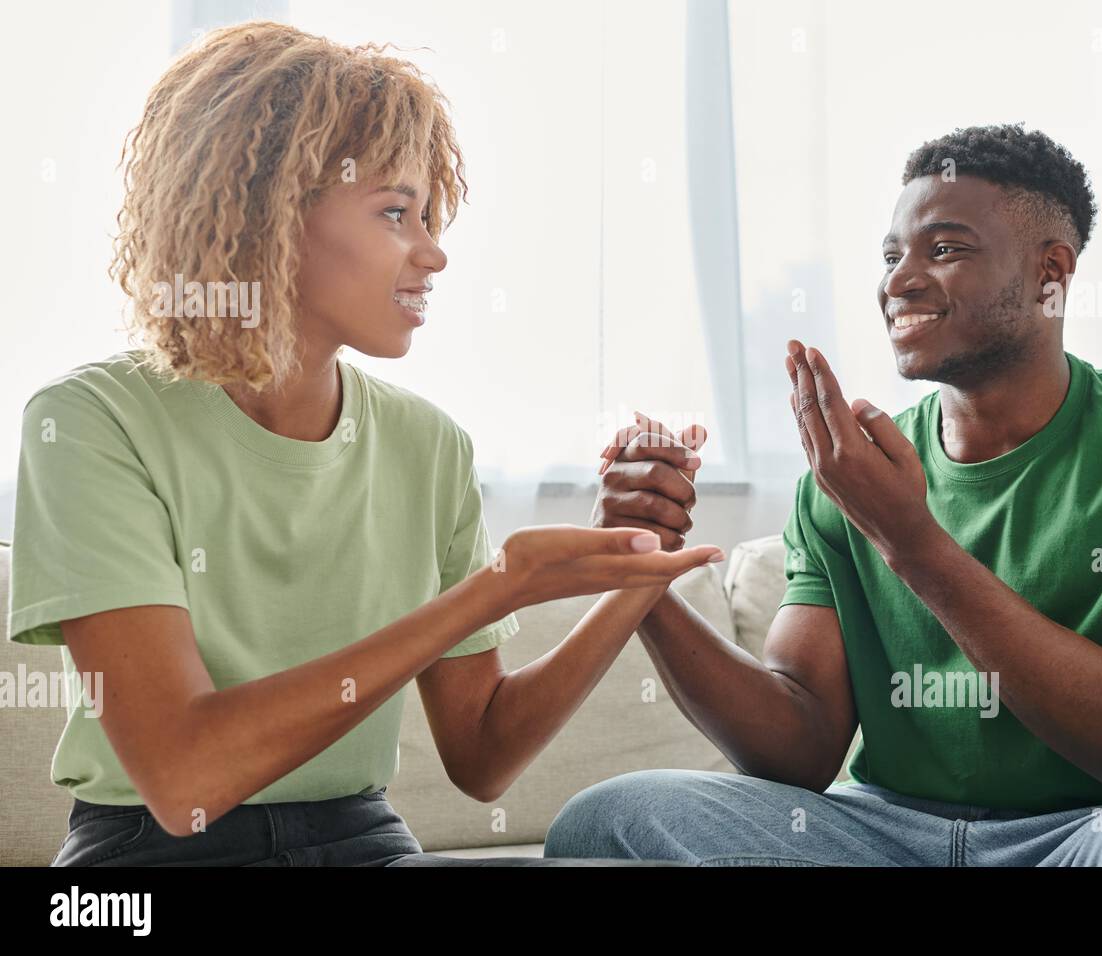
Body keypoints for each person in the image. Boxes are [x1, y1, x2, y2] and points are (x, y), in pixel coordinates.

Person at [5, 20, 720, 867]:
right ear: (268, 212)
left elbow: (485, 757)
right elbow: (184, 775)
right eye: (395, 213)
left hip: (365, 838)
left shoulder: (429, 446)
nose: (435, 254)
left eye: (430, 215)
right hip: (150, 854)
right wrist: (492, 590)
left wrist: (634, 574)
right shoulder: (92, 421)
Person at [550, 123, 1102, 866]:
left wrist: (911, 543)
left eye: (944, 250)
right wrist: (641, 583)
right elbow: (801, 748)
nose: (898, 280)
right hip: (881, 836)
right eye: (890, 255)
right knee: (608, 817)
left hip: (1082, 837)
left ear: (1051, 273)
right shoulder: (844, 481)